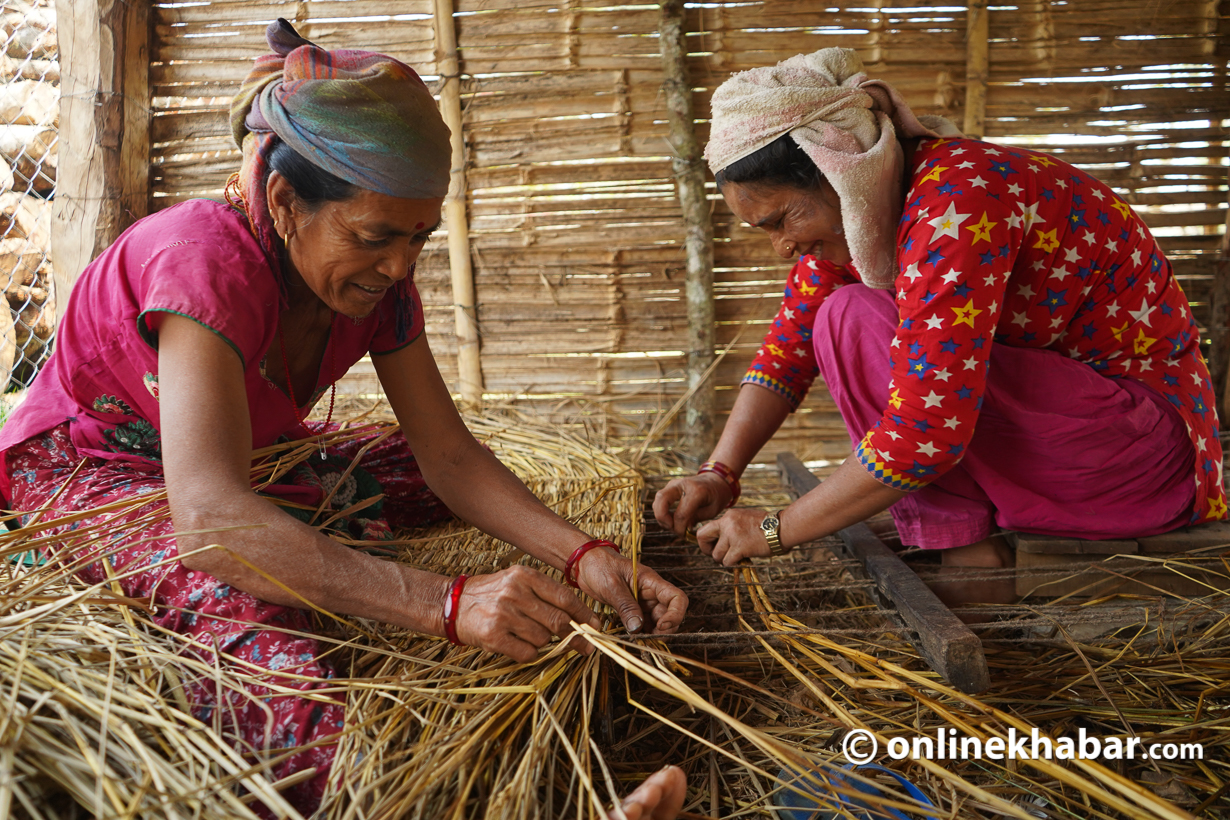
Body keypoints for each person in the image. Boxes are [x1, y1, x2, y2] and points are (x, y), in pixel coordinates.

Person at [0, 20, 688, 817]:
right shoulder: (200, 263)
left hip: (241, 461)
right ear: (285, 202)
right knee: (240, 615)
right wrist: (446, 603)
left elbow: (446, 456)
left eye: (419, 237)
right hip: (91, 472)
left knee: (400, 471)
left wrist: (584, 554)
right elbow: (212, 522)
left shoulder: (375, 288)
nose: (399, 266)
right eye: (374, 236)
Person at [654, 48, 1226, 602]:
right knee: (841, 315)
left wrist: (775, 529)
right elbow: (787, 352)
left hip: (1142, 459)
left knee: (852, 317)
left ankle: (971, 558)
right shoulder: (860, 222)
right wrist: (718, 474)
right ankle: (961, 537)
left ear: (837, 169)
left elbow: (926, 428)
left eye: (782, 219)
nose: (782, 247)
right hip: (1075, 445)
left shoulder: (959, 200)